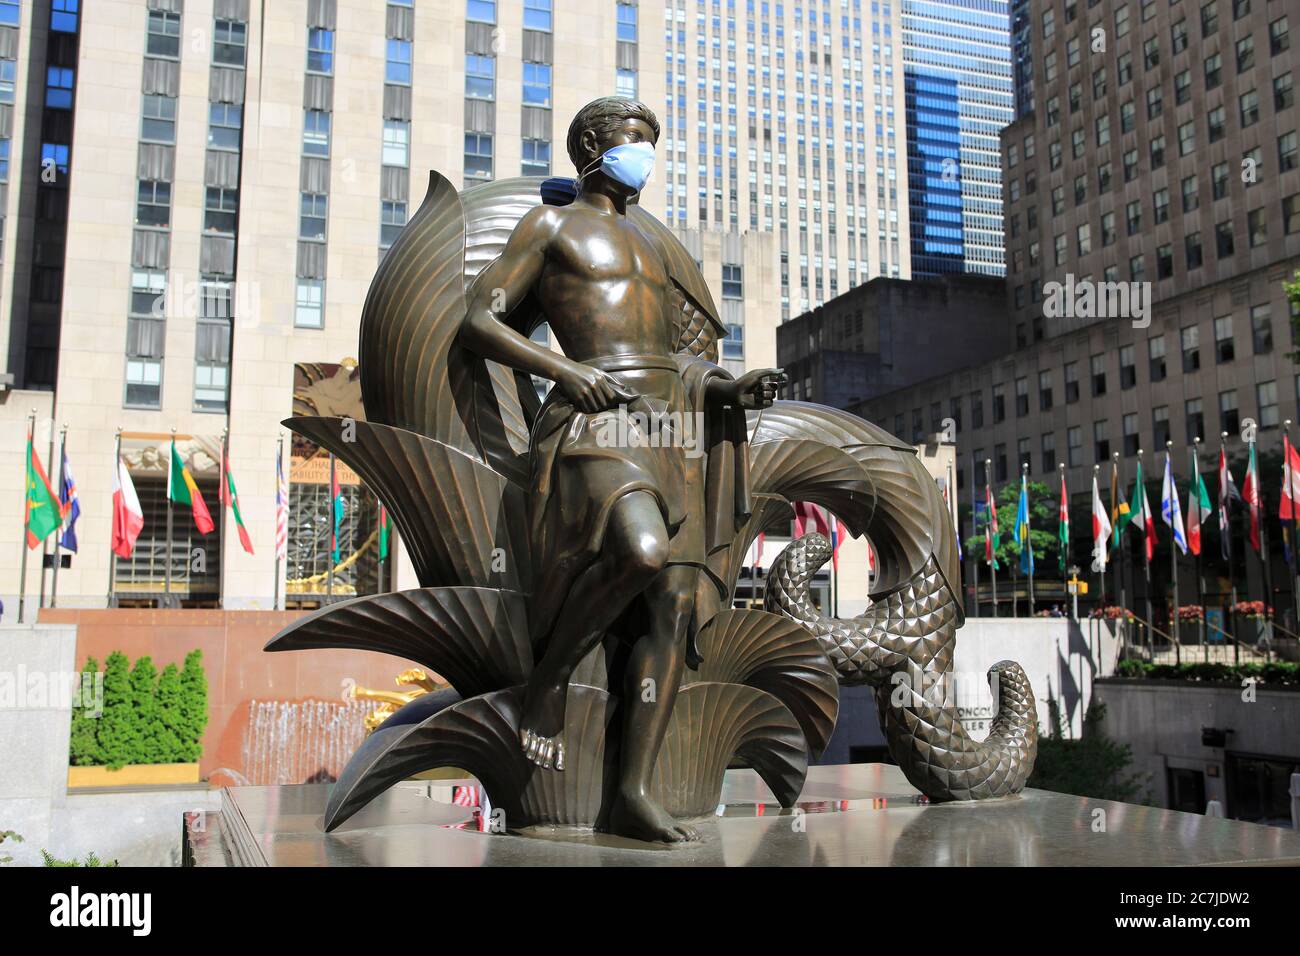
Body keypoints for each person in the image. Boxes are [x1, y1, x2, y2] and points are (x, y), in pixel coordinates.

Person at [458, 96, 784, 842]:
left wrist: (728, 388)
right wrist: (563, 373)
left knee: (674, 604)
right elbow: (479, 320)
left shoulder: (654, 246)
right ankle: (545, 687)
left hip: (669, 422)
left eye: (651, 142)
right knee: (639, 550)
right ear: (593, 147)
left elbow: (677, 356)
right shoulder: (551, 225)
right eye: (635, 140)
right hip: (594, 418)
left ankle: (632, 789)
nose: (646, 154)